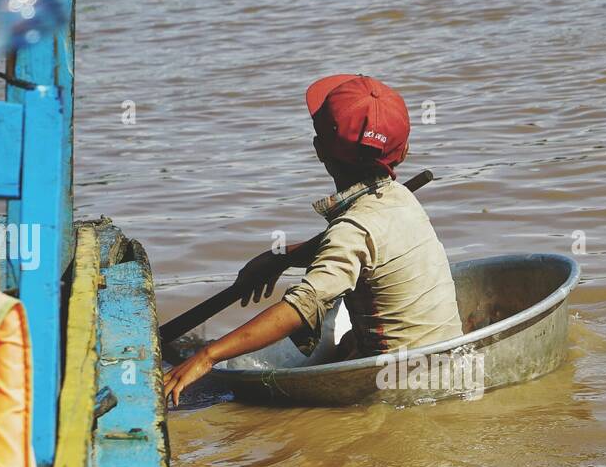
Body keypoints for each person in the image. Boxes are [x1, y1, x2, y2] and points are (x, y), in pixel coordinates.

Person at [162, 74, 463, 406]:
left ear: (319, 150)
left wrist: (208, 356)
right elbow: (362, 246)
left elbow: (301, 308)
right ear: (403, 152)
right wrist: (282, 257)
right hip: (444, 356)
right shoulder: (401, 199)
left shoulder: (353, 229)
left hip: (401, 384)